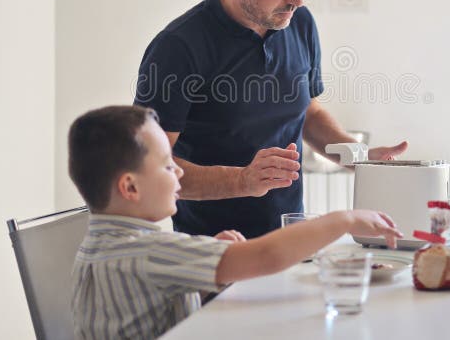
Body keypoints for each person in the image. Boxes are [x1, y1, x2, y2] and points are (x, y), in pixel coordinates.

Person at [134, 0, 408, 238]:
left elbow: (307, 113)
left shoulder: (299, 22)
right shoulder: (177, 48)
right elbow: (149, 168)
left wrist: (359, 157)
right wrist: (242, 180)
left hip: (288, 243)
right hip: (213, 254)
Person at [68, 105, 403, 339]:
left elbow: (142, 305)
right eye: (168, 166)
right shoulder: (146, 251)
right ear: (130, 187)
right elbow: (265, 257)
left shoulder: (101, 247)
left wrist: (202, 272)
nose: (180, 172)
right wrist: (344, 219)